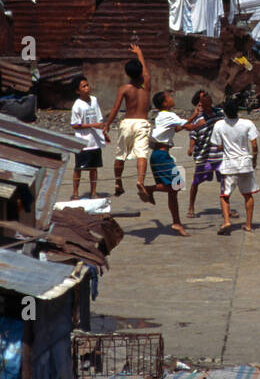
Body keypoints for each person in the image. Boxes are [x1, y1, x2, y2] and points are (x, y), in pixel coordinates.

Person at [106, 44, 153, 203]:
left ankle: (118, 181)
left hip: (127, 123)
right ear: (140, 72)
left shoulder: (125, 88)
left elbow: (115, 108)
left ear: (127, 73)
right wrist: (140, 52)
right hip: (142, 122)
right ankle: (140, 180)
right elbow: (145, 70)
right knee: (142, 154)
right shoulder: (146, 84)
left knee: (121, 154)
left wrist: (107, 125)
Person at [146, 90, 193, 236]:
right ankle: (150, 189)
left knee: (173, 191)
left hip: (158, 155)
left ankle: (176, 223)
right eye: (170, 97)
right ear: (165, 103)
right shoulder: (169, 115)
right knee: (177, 185)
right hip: (162, 156)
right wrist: (202, 123)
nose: (173, 99)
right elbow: (189, 127)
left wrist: (195, 115)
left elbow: (178, 128)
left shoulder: (161, 116)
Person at [209, 98, 259, 235]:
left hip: (229, 164)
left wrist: (226, 145)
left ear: (224, 111)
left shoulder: (219, 125)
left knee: (224, 195)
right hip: (245, 163)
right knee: (248, 194)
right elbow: (254, 144)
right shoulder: (247, 123)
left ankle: (226, 221)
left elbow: (218, 145)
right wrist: (254, 160)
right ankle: (248, 224)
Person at [185, 89, 225, 218]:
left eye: (208, 95)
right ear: (199, 103)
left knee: (225, 182)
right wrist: (191, 148)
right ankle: (191, 206)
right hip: (204, 155)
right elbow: (193, 135)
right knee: (196, 182)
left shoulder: (219, 113)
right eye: (204, 97)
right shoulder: (197, 118)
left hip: (219, 155)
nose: (208, 98)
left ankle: (226, 208)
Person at [69, 77, 105, 200]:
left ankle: (93, 192)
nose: (87, 88)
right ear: (78, 91)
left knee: (94, 168)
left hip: (94, 140)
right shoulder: (77, 106)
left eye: (87, 85)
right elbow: (75, 125)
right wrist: (92, 125)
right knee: (79, 168)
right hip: (83, 141)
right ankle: (75, 193)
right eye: (83, 86)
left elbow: (99, 118)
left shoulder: (94, 100)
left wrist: (103, 133)